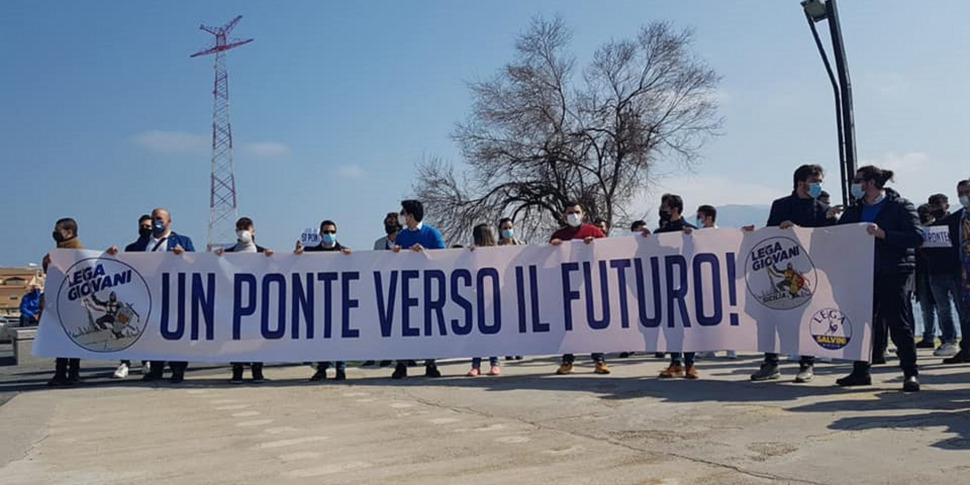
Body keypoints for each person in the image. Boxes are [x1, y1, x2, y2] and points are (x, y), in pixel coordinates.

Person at [835, 166, 922, 392]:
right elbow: (837, 236)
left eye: (858, 180)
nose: (854, 185)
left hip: (894, 272)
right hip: (863, 274)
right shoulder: (855, 210)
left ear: (871, 182)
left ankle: (910, 372)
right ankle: (861, 371)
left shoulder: (900, 206)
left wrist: (885, 234)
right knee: (862, 324)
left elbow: (917, 236)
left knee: (898, 323)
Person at [749, 165, 836, 383]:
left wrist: (830, 221)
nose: (818, 186)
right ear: (800, 183)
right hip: (778, 273)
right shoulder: (780, 205)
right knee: (769, 318)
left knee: (804, 320)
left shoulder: (821, 209)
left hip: (805, 274)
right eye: (815, 181)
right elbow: (769, 235)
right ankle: (770, 363)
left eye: (820, 182)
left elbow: (825, 240)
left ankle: (807, 364)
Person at [110, 208, 195, 384]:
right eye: (154, 218)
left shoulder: (183, 241)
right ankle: (155, 368)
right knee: (152, 332)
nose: (156, 221)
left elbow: (197, 264)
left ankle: (177, 369)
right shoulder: (141, 244)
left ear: (169, 221)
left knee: (174, 333)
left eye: (160, 218)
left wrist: (184, 256)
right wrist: (113, 254)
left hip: (173, 294)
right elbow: (126, 263)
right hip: (148, 295)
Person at [550, 202, 611, 375]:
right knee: (568, 325)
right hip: (566, 287)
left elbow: (609, 253)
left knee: (593, 324)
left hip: (590, 285)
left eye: (577, 212)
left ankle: (599, 360)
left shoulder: (593, 232)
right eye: (570, 212)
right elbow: (548, 261)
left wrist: (595, 245)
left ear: (583, 214)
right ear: (564, 215)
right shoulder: (558, 235)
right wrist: (552, 247)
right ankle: (567, 361)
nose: (574, 215)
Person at [644, 194, 700, 379]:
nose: (662, 209)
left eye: (665, 206)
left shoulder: (690, 230)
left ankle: (690, 363)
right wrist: (645, 240)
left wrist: (692, 239)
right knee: (670, 325)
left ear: (675, 208)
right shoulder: (660, 233)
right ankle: (676, 362)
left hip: (686, 285)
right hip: (665, 285)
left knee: (686, 324)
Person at [390, 200, 447, 379]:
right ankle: (402, 364)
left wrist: (424, 252)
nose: (402, 216)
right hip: (406, 290)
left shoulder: (432, 233)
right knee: (404, 328)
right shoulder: (402, 236)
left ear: (411, 215)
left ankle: (430, 363)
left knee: (428, 328)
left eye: (404, 213)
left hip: (428, 289)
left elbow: (444, 258)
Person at [216, 217, 274, 384]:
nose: (243, 231)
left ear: (253, 230)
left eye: (246, 227)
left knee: (256, 336)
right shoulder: (229, 253)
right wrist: (217, 258)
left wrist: (271, 259)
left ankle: (257, 371)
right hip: (234, 301)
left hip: (257, 301)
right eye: (239, 228)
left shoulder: (263, 252)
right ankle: (237, 371)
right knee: (236, 338)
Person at [297, 219, 352, 381]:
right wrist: (298, 254)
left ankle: (340, 369)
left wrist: (352, 257)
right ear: (320, 234)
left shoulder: (344, 252)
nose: (330, 235)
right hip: (319, 300)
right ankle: (322, 368)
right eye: (327, 232)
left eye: (332, 232)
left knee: (339, 335)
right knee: (321, 336)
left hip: (339, 300)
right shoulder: (311, 252)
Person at [690, 205, 738, 360]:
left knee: (725, 313)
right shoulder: (697, 235)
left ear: (709, 217)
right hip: (704, 279)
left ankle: (731, 348)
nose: (698, 220)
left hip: (722, 280)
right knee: (707, 313)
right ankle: (709, 347)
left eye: (700, 217)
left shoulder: (721, 235)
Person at [44, 218, 84, 386]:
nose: (55, 234)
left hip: (74, 303)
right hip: (59, 303)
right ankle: (61, 372)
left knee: (73, 340)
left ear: (68, 232)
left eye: (58, 231)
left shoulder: (79, 252)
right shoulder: (55, 254)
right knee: (60, 340)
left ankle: (72, 373)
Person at [113, 214, 153, 379]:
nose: (144, 229)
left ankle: (147, 361)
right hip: (133, 295)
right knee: (124, 327)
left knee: (146, 330)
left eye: (147, 226)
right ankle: (125, 363)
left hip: (152, 295)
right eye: (142, 225)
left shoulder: (156, 247)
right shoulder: (131, 249)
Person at [922, 194, 961, 357]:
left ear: (947, 204)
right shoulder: (930, 227)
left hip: (954, 271)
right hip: (935, 272)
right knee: (943, 309)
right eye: (932, 205)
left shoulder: (955, 222)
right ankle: (949, 340)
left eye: (938, 204)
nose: (935, 208)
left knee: (961, 308)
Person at [364, 212, 401, 367]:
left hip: (401, 287)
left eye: (393, 221)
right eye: (388, 221)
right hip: (383, 287)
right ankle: (382, 354)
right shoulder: (378, 243)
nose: (391, 223)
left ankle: (403, 357)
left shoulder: (405, 239)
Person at [940, 179, 970, 365]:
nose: (964, 196)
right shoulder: (955, 218)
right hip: (963, 272)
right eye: (960, 193)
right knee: (964, 312)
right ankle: (966, 349)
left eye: (967, 192)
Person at [466, 224, 502, 377]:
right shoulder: (472, 252)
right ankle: (476, 365)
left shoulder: (497, 252)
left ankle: (495, 363)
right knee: (477, 333)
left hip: (493, 297)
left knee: (492, 332)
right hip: (476, 296)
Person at [618, 220, 649, 359]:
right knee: (630, 318)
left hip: (647, 285)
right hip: (631, 287)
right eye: (641, 228)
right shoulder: (625, 245)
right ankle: (629, 346)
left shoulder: (650, 243)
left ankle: (657, 346)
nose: (644, 230)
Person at [914, 203, 940, 350]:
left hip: (930, 270)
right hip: (922, 271)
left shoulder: (934, 230)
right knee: (929, 307)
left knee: (937, 306)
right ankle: (929, 336)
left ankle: (933, 336)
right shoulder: (919, 231)